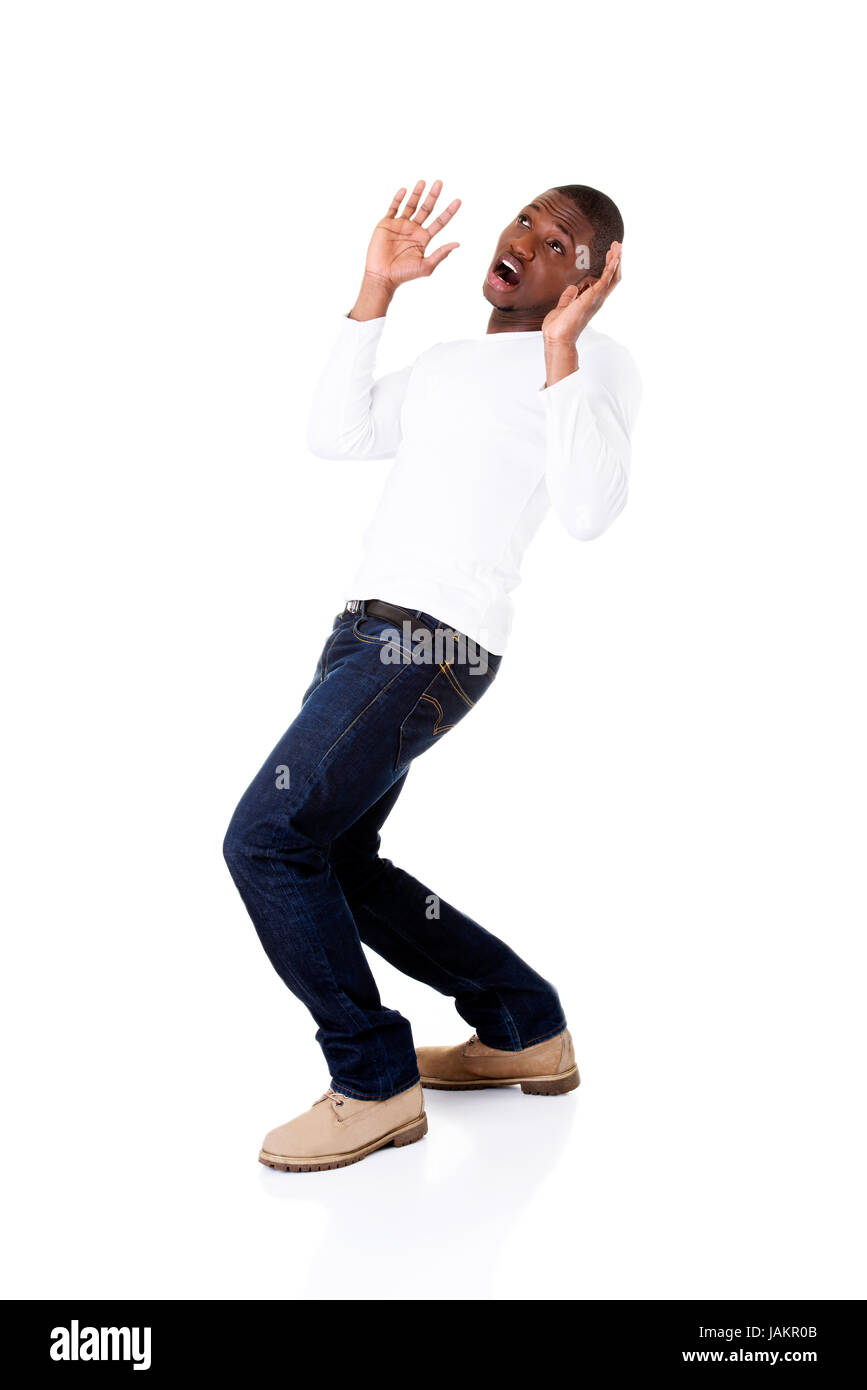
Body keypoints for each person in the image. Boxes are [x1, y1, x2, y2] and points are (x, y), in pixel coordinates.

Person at [223, 178, 642, 1172]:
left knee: (268, 837)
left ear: (591, 277)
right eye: (529, 218)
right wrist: (374, 292)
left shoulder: (593, 365)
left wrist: (565, 350)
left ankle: (373, 1080)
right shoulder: (451, 361)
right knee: (339, 858)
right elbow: (337, 434)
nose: (529, 236)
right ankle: (521, 1021)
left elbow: (589, 509)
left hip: (432, 641)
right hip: (363, 635)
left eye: (562, 240)